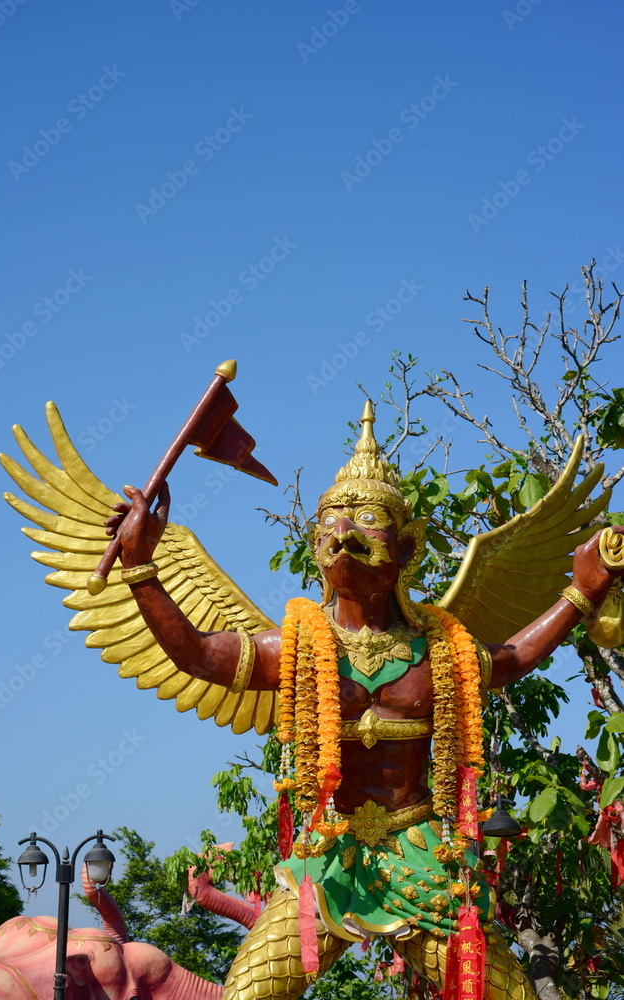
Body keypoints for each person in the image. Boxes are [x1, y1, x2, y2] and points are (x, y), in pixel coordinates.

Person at [104, 403, 622, 1000]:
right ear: (315, 546)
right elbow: (196, 655)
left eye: (367, 519)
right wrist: (142, 568)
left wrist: (580, 595)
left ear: (406, 548)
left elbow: (511, 660)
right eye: (331, 523)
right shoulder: (293, 645)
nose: (345, 533)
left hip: (421, 857)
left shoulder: (441, 648)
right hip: (328, 857)